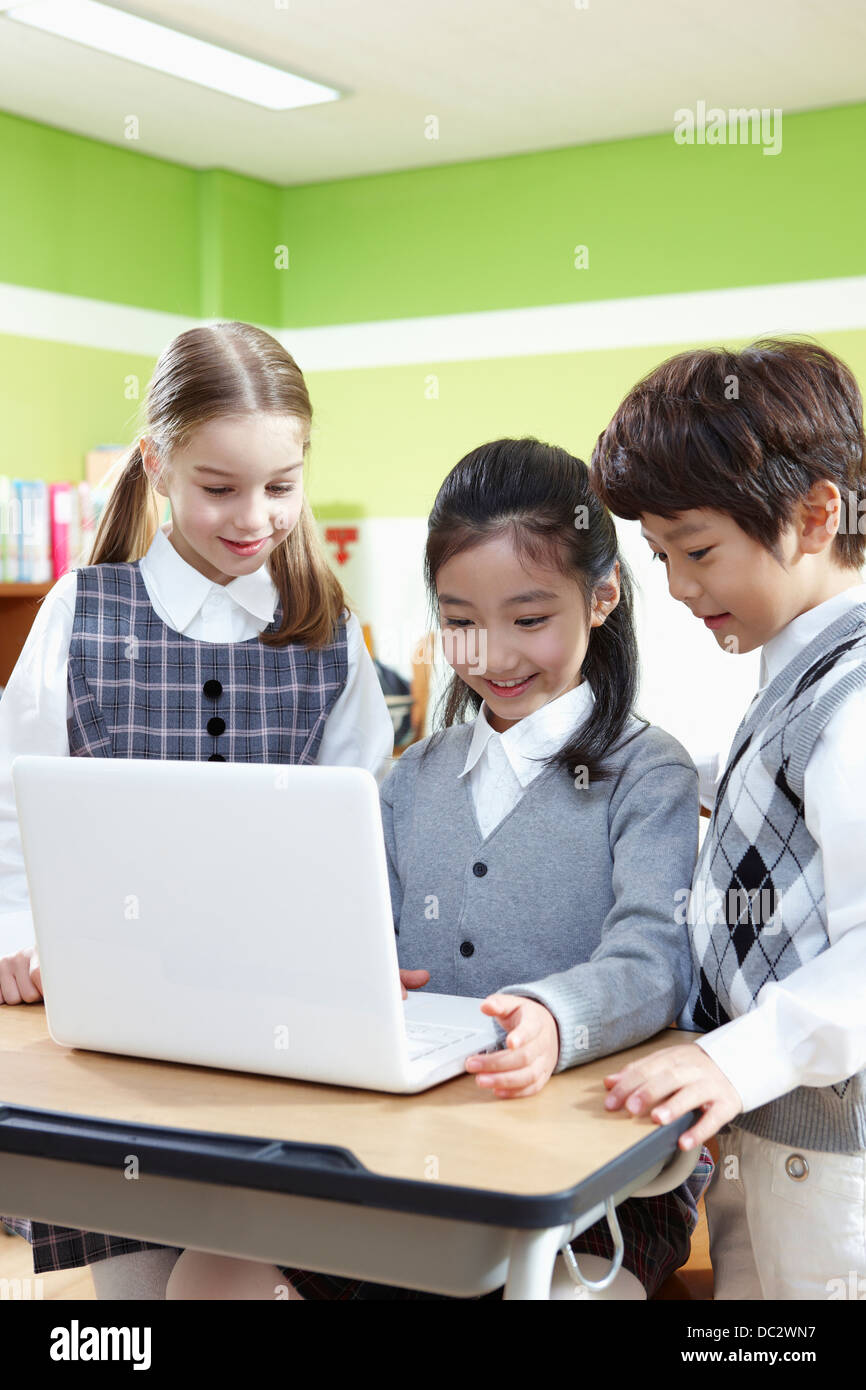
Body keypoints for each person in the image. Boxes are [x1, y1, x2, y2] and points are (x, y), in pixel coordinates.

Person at [0, 320, 394, 1300]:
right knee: (132, 1294)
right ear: (158, 466)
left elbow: (366, 831)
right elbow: (15, 796)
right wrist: (14, 926)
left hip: (282, 1042)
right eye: (219, 486)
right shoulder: (79, 612)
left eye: (281, 484)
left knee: (249, 1276)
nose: (253, 514)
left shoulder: (331, 638)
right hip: (109, 1041)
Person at [276, 437, 713, 1299]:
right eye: (461, 622)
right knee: (216, 1274)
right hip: (409, 1154)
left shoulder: (650, 773)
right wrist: (360, 981)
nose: (493, 656)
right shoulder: (413, 777)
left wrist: (556, 1018)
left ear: (602, 598)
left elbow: (658, 961)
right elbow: (366, 935)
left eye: (529, 618)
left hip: (593, 1183)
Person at [591, 338, 866, 1300]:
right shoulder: (801, 667)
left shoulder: (857, 697)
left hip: (831, 1171)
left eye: (697, 550)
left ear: (814, 513)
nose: (677, 586)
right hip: (775, 1140)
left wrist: (731, 1057)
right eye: (661, 555)